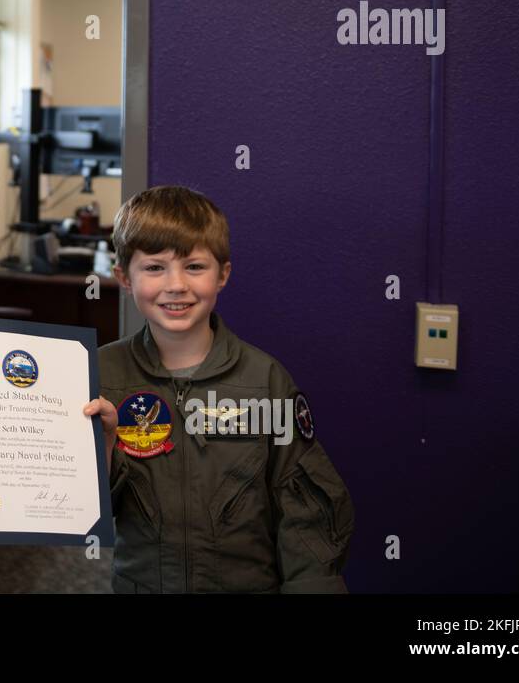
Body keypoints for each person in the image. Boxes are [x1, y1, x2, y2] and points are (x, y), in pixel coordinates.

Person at [82, 185, 354, 592]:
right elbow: (82, 508)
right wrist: (102, 447)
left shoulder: (265, 381)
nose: (176, 285)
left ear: (222, 274)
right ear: (124, 276)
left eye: (194, 267)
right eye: (155, 268)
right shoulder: (99, 372)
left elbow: (306, 512)